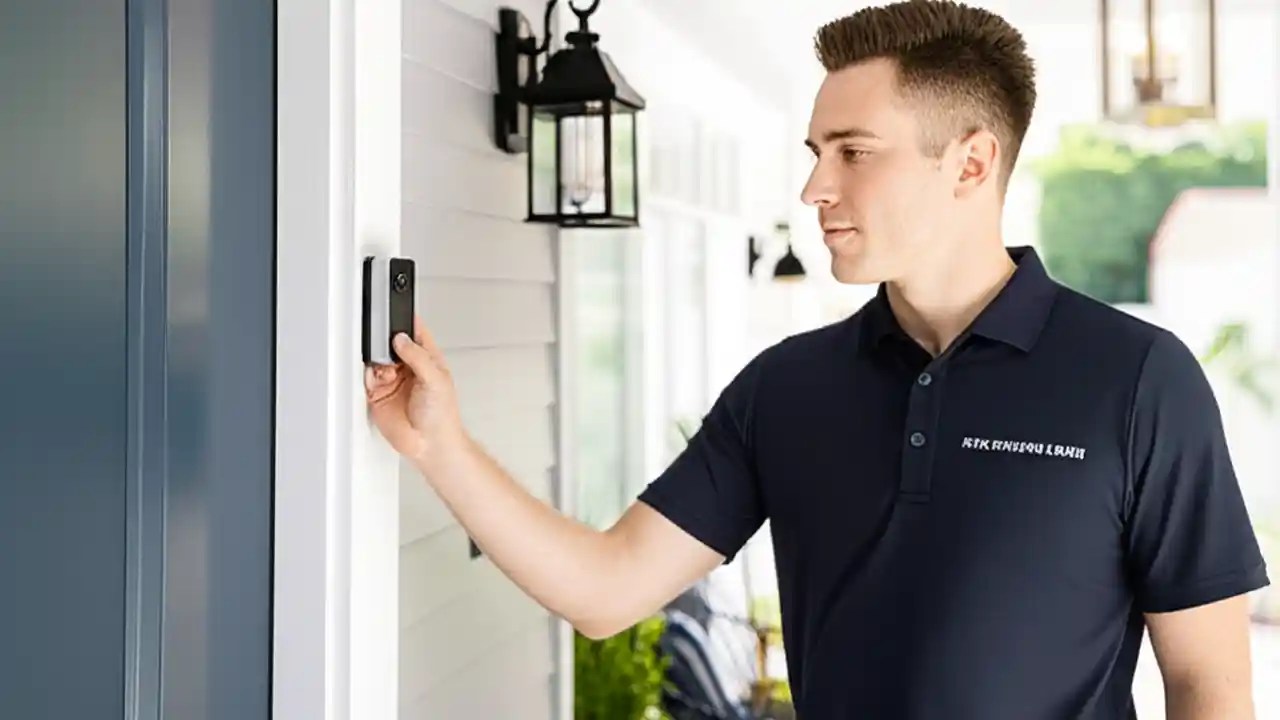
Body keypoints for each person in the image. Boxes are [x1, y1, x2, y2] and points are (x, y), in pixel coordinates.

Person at [366, 1, 1270, 717]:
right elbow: (606, 591)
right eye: (816, 152)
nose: (814, 188)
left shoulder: (1138, 379)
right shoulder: (786, 388)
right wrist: (440, 446)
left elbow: (1210, 684)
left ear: (970, 164)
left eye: (854, 153)